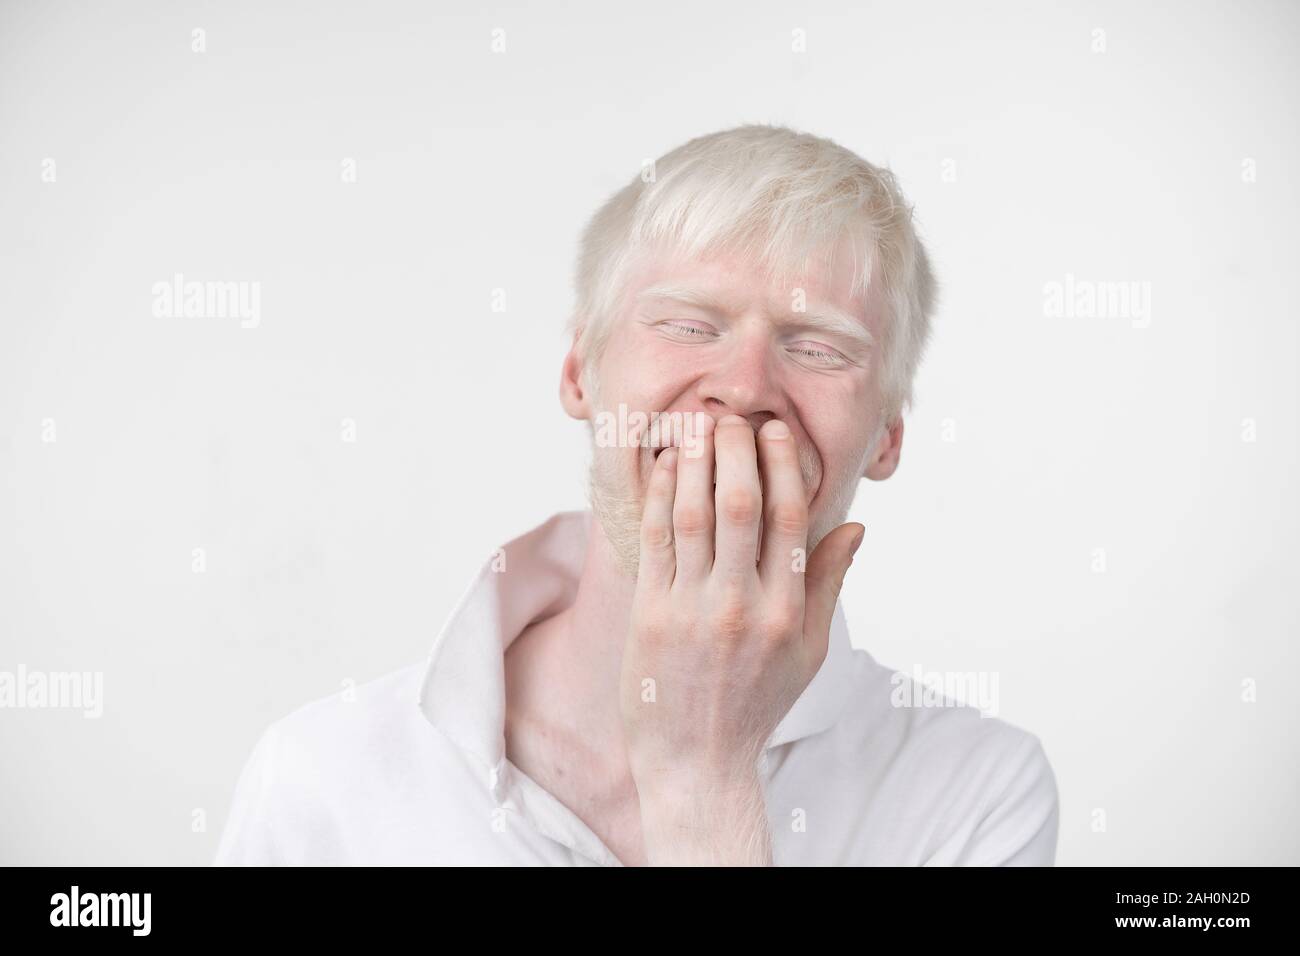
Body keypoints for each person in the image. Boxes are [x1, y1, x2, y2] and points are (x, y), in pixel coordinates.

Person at [215, 124, 1058, 866]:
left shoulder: (977, 793)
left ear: (887, 437)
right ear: (580, 372)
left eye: (819, 347)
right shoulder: (325, 776)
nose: (743, 387)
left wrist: (704, 779)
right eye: (689, 325)